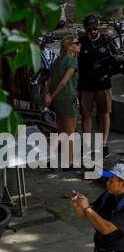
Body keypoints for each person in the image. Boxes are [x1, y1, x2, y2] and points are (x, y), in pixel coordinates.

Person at [77, 15, 117, 154]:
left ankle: (104, 143)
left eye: (95, 29)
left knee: (104, 114)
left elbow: (117, 58)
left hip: (103, 84)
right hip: (85, 85)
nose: (92, 32)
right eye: (89, 30)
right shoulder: (81, 42)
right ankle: (86, 144)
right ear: (85, 29)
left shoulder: (107, 40)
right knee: (86, 115)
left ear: (98, 26)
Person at [44, 36, 80, 166]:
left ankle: (47, 157)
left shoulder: (58, 61)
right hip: (66, 98)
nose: (79, 45)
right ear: (69, 47)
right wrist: (51, 96)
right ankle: (68, 162)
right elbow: (64, 81)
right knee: (70, 132)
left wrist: (48, 95)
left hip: (57, 101)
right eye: (77, 43)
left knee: (61, 131)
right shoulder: (72, 61)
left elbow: (50, 81)